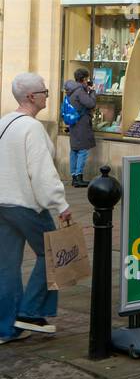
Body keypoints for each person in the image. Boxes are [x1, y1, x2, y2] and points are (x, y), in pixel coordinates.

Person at [0, 72, 72, 343]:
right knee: (53, 255)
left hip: (2, 203)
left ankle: (6, 328)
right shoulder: (32, 128)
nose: (47, 96)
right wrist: (61, 204)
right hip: (26, 205)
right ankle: (30, 312)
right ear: (32, 97)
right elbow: (42, 173)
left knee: (7, 266)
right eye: (45, 92)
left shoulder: (4, 122)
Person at [63, 68, 97, 186]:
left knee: (74, 150)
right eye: (87, 79)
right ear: (83, 79)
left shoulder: (71, 90)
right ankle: (78, 177)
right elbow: (91, 104)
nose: (88, 81)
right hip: (81, 123)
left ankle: (73, 176)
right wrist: (92, 92)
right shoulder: (79, 91)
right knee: (82, 150)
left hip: (73, 123)